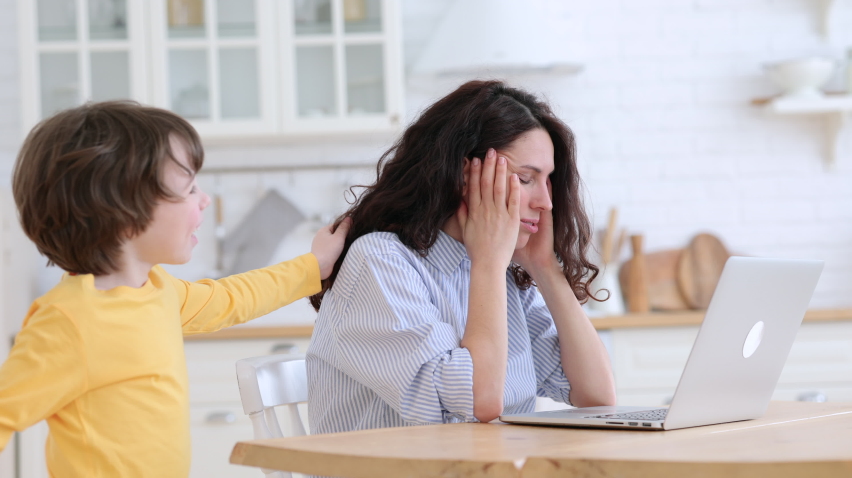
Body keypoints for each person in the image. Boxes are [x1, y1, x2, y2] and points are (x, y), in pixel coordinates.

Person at [0, 101, 349, 477]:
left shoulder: (157, 291)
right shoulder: (70, 322)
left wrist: (315, 266)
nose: (204, 199)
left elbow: (233, 298)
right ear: (125, 214)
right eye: (189, 188)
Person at [306, 80, 616, 434]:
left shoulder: (502, 274)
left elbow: (597, 396)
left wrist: (544, 266)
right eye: (527, 178)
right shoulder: (380, 261)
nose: (546, 202)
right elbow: (477, 403)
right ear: (464, 176)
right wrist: (488, 259)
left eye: (548, 181)